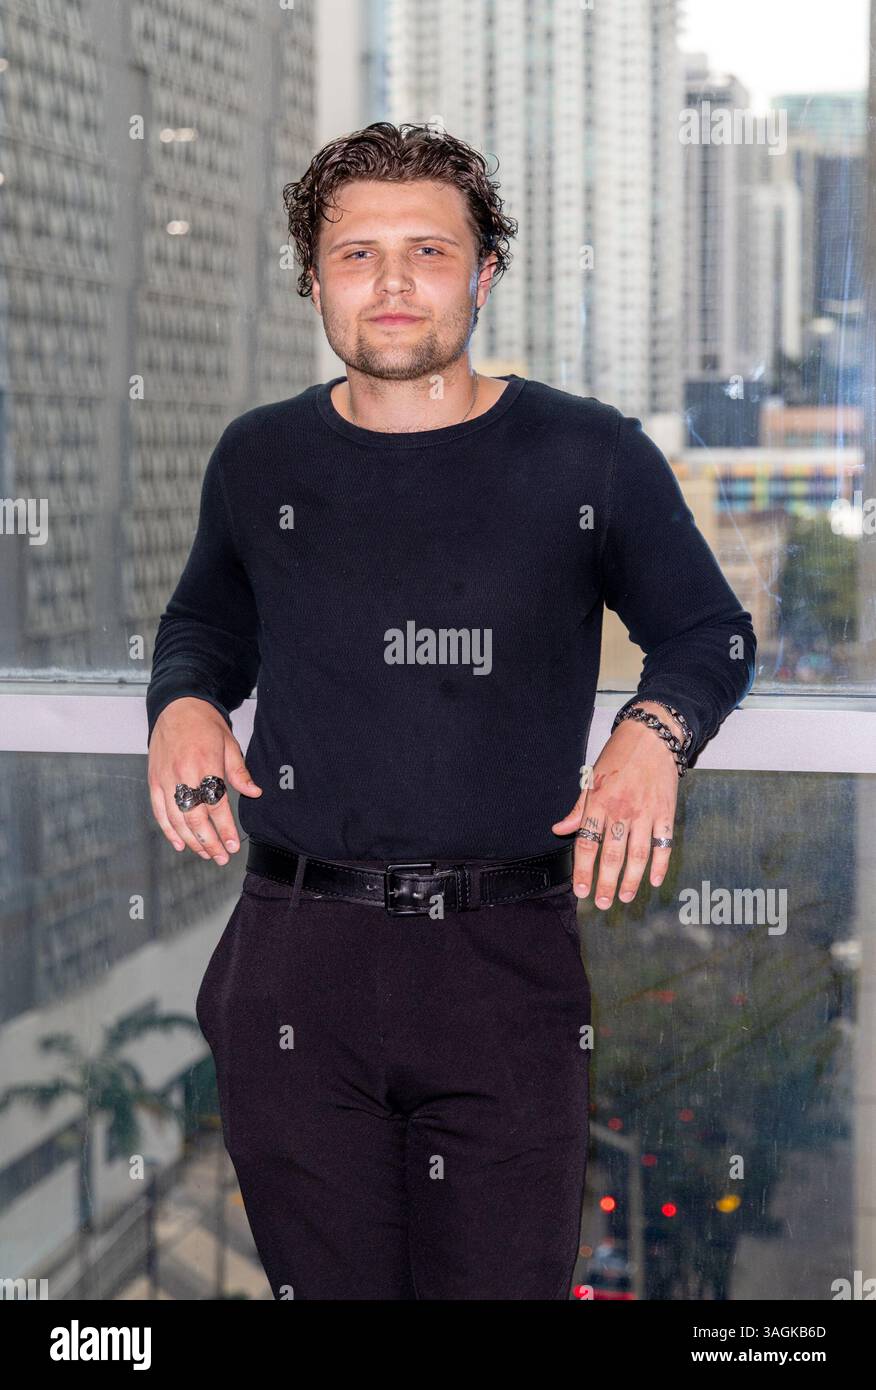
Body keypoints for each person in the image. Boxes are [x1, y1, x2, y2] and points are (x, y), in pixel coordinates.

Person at [145, 122, 757, 1301]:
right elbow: (204, 627)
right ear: (313, 279)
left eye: (427, 249)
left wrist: (654, 733)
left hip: (504, 970)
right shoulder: (258, 458)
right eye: (354, 252)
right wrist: (182, 701)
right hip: (294, 967)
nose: (389, 281)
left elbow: (708, 633)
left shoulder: (591, 456)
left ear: (482, 275)